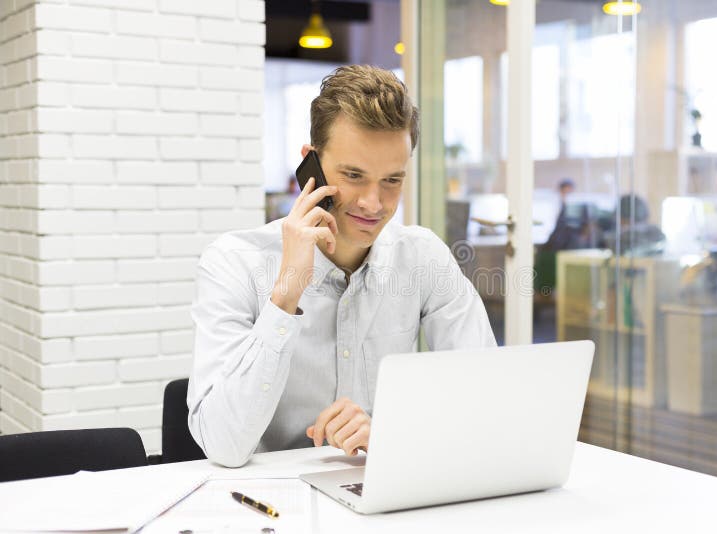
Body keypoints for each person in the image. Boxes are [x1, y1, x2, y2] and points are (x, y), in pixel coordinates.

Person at [187, 65, 496, 468]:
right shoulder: (233, 262)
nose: (373, 202)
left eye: (392, 180)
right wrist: (287, 292)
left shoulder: (421, 257)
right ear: (309, 166)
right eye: (354, 175)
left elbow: (484, 400)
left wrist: (392, 434)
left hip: (383, 492)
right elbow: (223, 444)